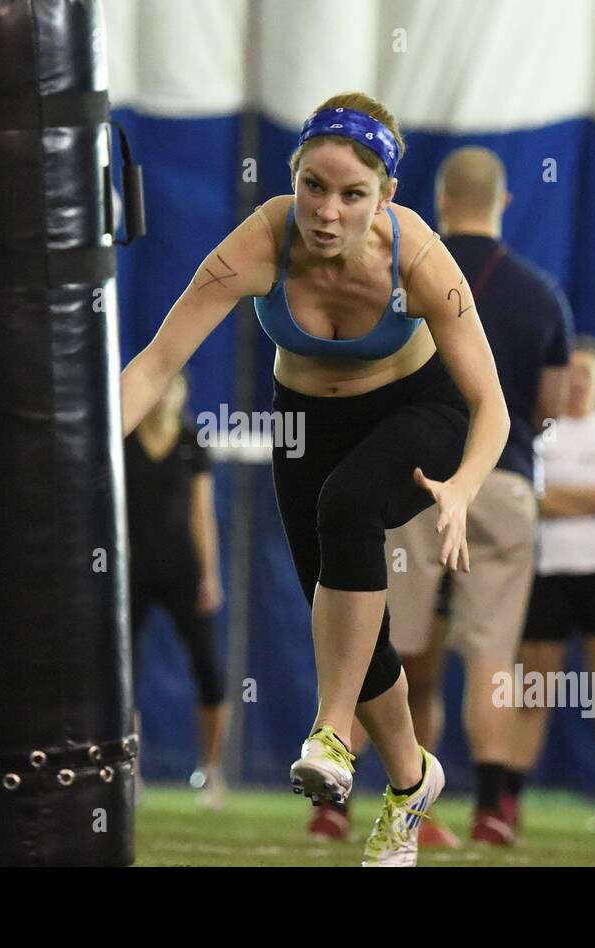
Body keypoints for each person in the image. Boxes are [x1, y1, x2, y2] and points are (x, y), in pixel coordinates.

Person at [119, 92, 509, 866]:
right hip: (305, 420)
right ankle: (410, 780)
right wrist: (86, 457)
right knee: (344, 613)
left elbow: (490, 401)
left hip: (418, 411)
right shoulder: (258, 245)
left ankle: (330, 731)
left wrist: (464, 485)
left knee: (350, 503)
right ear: (292, 179)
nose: (327, 212)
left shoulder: (420, 259)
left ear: (386, 196)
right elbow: (157, 363)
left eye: (352, 194)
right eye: (313, 187)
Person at [377, 146, 573, 848]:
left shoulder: (405, 280)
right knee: (491, 655)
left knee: (399, 645)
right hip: (506, 479)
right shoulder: (542, 293)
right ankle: (492, 809)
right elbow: (548, 410)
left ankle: (391, 808)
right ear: (506, 201)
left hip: (419, 482)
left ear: (441, 201)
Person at [505, 337, 595, 838]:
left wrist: (561, 498)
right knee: (535, 690)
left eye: (589, 372)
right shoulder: (537, 435)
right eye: (572, 372)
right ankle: (507, 801)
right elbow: (532, 499)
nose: (580, 381)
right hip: (548, 572)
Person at [126, 369, 229, 808]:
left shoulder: (191, 443)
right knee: (121, 676)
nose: (164, 393)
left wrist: (210, 575)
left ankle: (210, 771)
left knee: (209, 670)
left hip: (183, 571)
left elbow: (201, 514)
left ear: (183, 393)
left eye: (173, 385)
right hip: (129, 570)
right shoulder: (122, 439)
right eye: (159, 383)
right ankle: (127, 773)